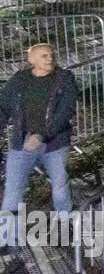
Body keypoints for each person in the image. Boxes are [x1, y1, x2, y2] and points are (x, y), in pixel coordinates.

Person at [0, 44, 78, 248]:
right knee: (13, 190)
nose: (50, 58)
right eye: (44, 56)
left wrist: (42, 135)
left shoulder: (64, 78)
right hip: (22, 142)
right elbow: (4, 106)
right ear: (31, 60)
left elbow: (66, 110)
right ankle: (8, 238)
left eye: (52, 55)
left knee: (60, 186)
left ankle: (65, 225)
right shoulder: (20, 79)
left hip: (54, 143)